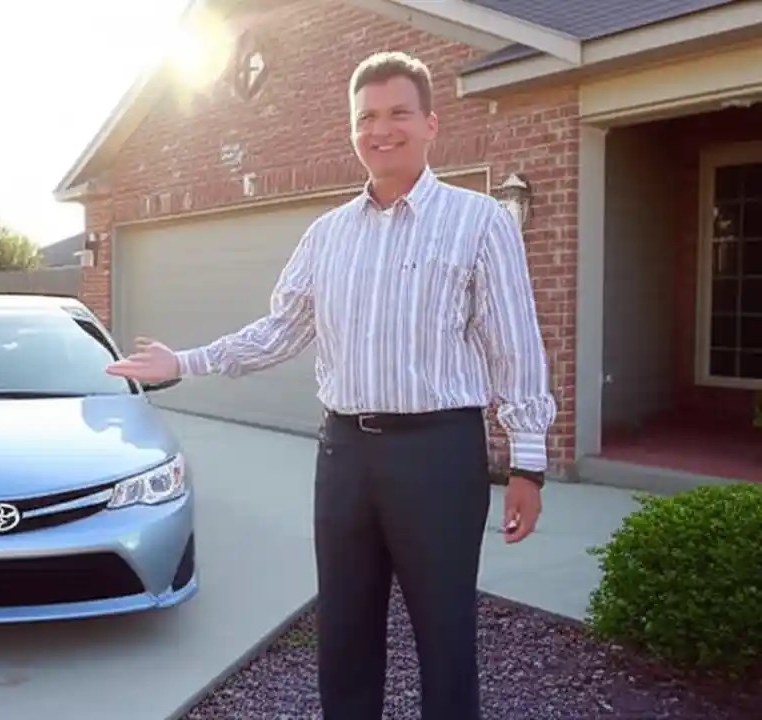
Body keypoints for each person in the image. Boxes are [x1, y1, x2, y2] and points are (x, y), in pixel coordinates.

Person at [104, 50, 555, 720]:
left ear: (431, 124)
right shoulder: (326, 237)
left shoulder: (480, 221)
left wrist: (529, 463)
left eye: (399, 113)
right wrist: (185, 362)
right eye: (367, 117)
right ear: (353, 130)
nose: (382, 129)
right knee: (343, 630)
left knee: (446, 631)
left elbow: (514, 345)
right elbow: (280, 330)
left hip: (439, 454)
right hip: (344, 456)